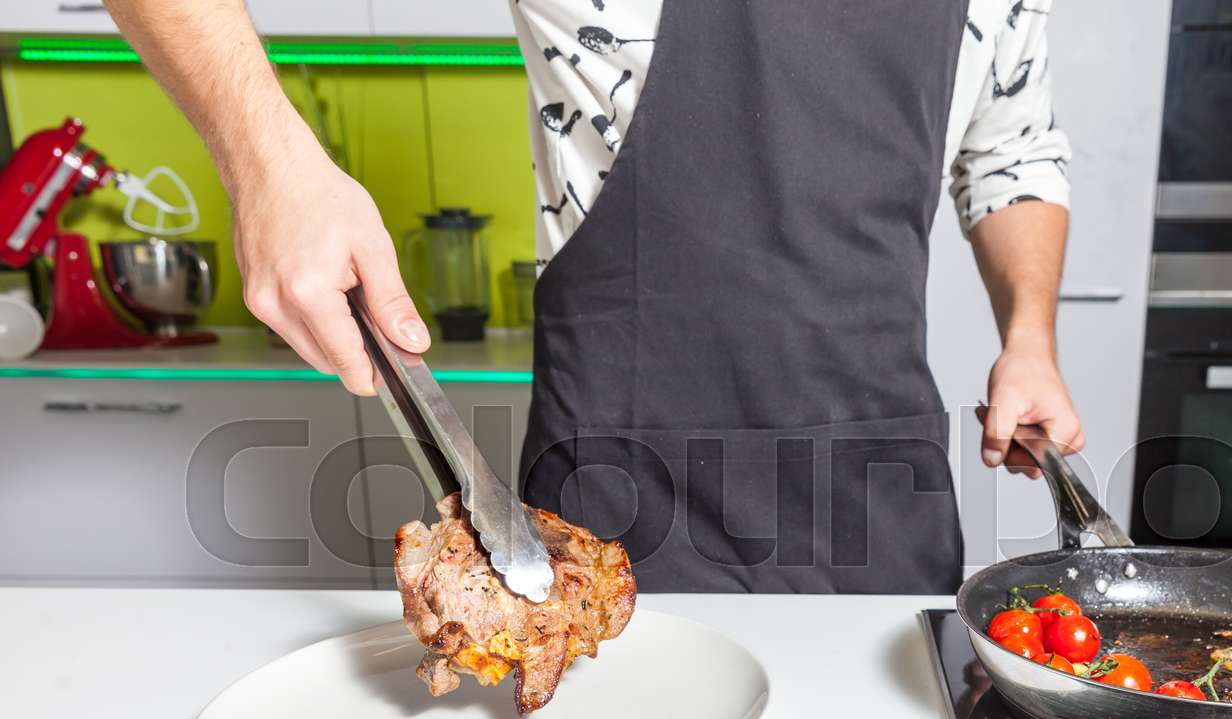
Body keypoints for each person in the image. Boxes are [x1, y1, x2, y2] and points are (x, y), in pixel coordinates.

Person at [105, 0, 1084, 593]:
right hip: (623, 513)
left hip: (881, 495)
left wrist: (1029, 339)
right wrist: (269, 163)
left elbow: (1011, 152)